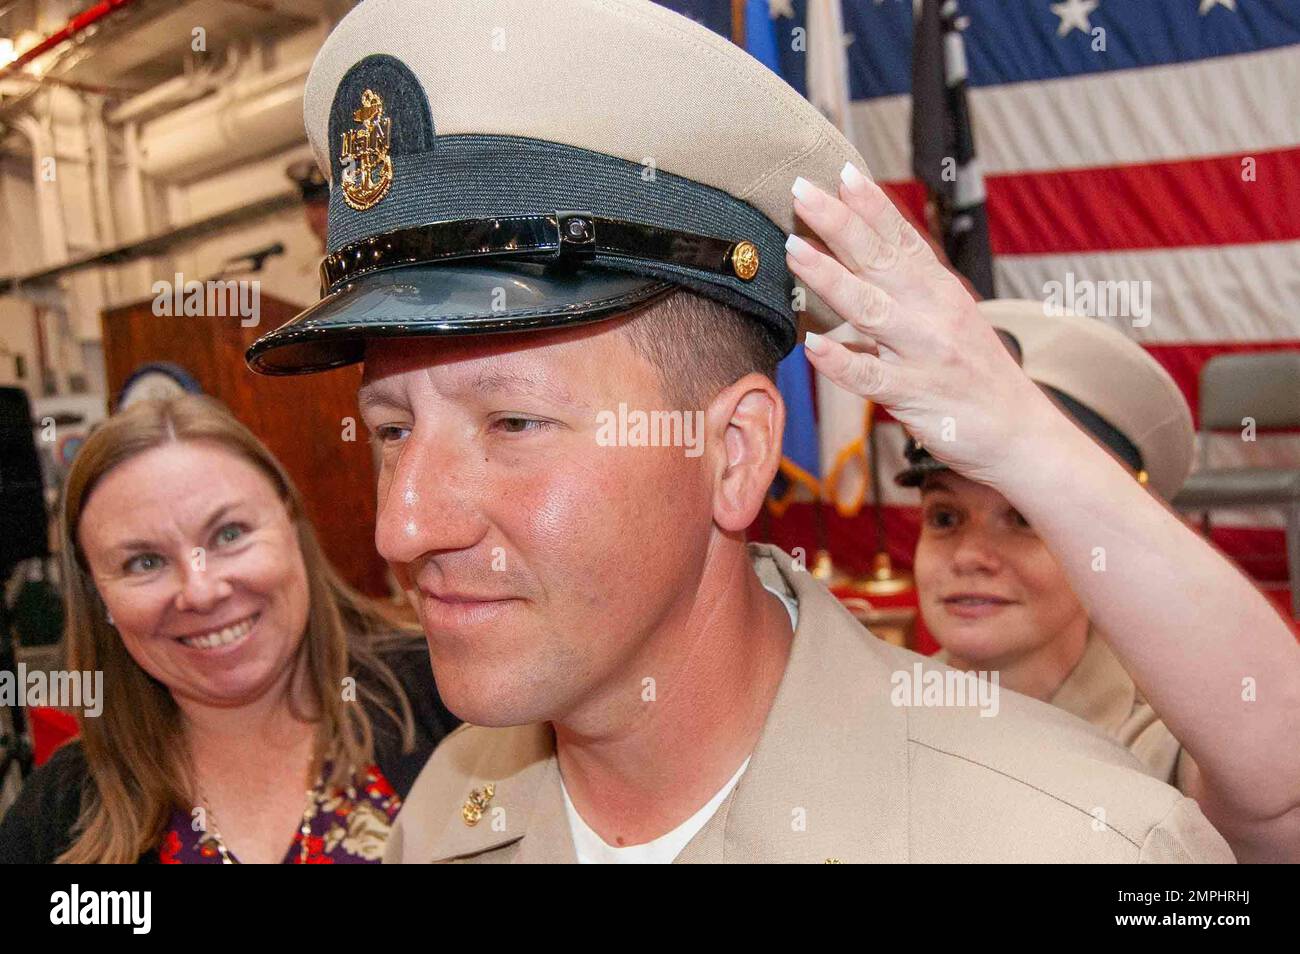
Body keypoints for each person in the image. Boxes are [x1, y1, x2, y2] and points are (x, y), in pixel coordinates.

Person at [245, 0, 1233, 863]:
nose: (401, 530)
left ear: (733, 452)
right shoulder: (449, 817)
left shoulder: (1077, 841)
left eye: (512, 422)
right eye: (388, 431)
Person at [897, 299, 1300, 863]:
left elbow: (1284, 773)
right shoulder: (880, 706)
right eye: (944, 518)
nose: (969, 555)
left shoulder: (1165, 742)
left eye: (1024, 519)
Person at [0, 395, 459, 863]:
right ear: (99, 596)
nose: (200, 592)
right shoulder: (58, 816)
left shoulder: (447, 702)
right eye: (145, 562)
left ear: (290, 521)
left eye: (229, 534)